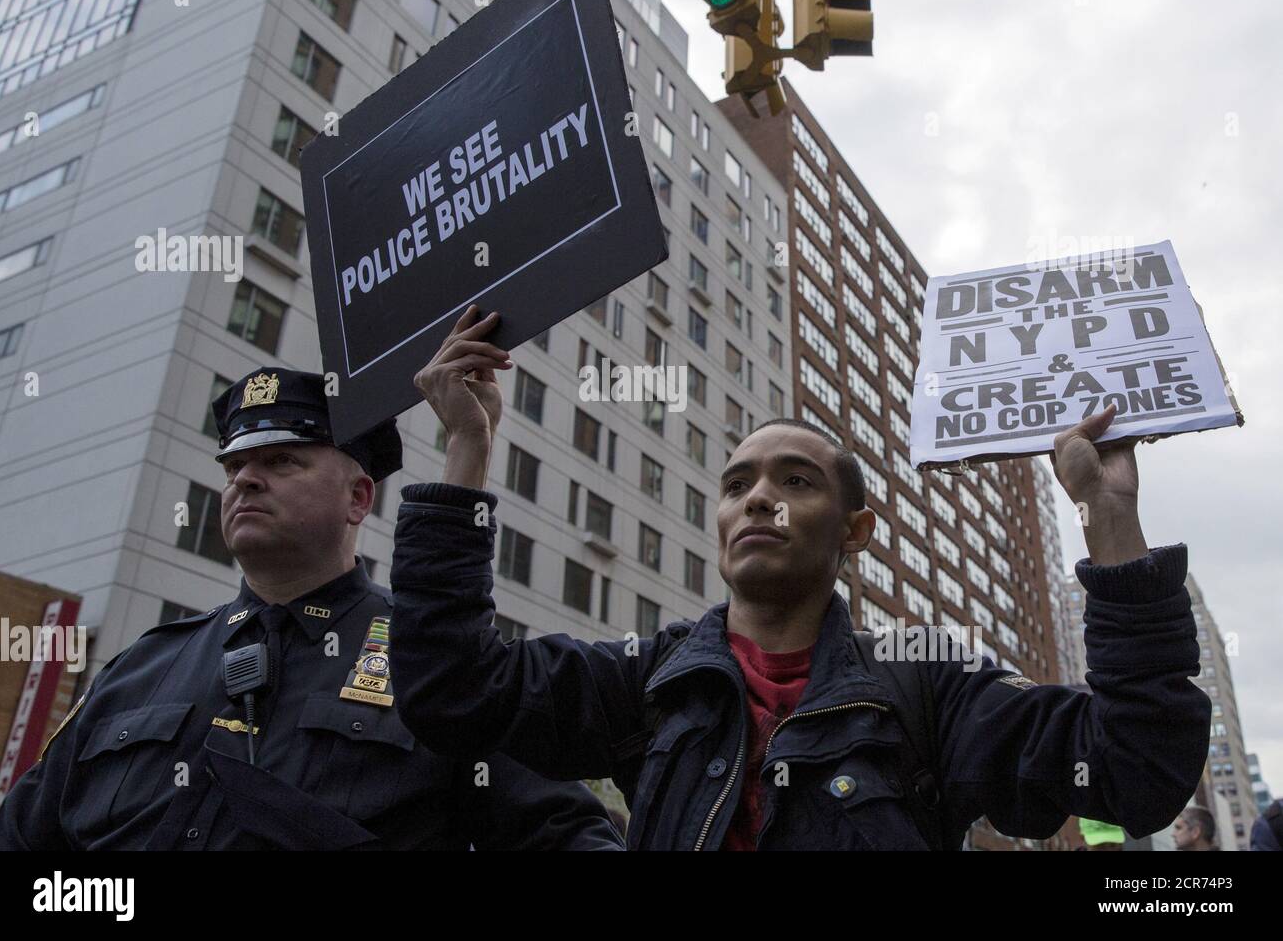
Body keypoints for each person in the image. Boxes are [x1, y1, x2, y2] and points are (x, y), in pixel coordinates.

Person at [387, 306, 1211, 850]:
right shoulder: (652, 681)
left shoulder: (931, 688)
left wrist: (1107, 516)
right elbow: (453, 691)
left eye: (796, 481)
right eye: (738, 484)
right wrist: (466, 451)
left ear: (856, 531)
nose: (759, 501)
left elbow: (1135, 768)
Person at [0, 367, 620, 851]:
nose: (244, 481)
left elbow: (569, 835)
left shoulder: (440, 661)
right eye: (234, 466)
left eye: (281, 460)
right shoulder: (140, 668)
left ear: (358, 497)